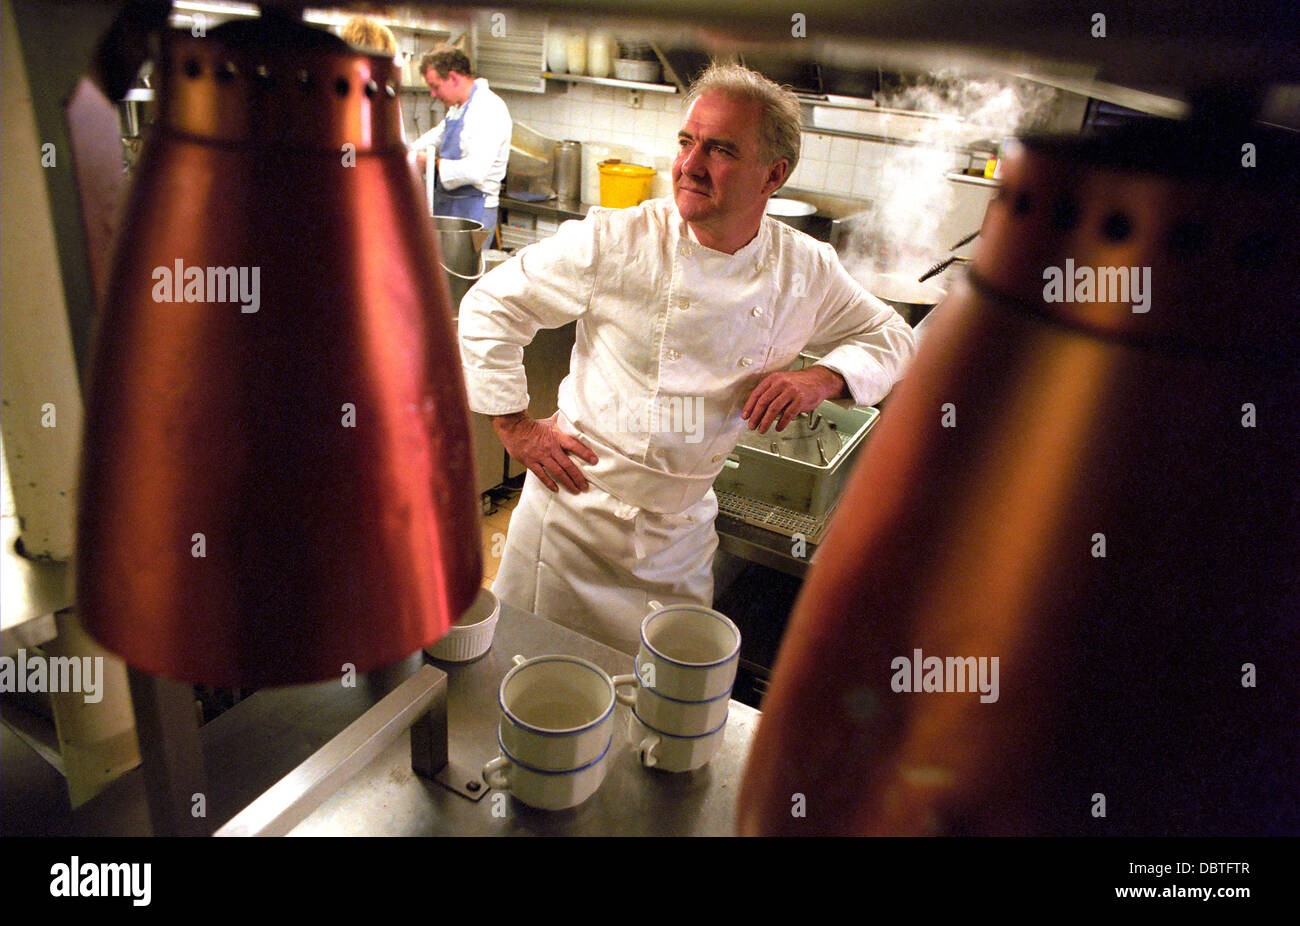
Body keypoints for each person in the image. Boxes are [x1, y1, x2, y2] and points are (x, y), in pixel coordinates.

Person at [458, 63, 917, 654]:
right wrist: (514, 426)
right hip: (574, 519)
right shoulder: (618, 241)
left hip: (679, 533)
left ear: (772, 176)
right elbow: (490, 306)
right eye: (686, 141)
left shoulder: (804, 269)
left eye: (721, 149)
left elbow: (892, 334)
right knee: (535, 685)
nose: (689, 165)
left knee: (655, 697)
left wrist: (823, 376)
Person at [409, 47, 512, 237]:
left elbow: (476, 171)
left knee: (465, 267)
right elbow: (437, 135)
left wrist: (432, 163)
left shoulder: (487, 108)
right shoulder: (459, 108)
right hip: (449, 208)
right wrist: (405, 152)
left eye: (435, 86)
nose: (432, 94)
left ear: (454, 78)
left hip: (474, 213)